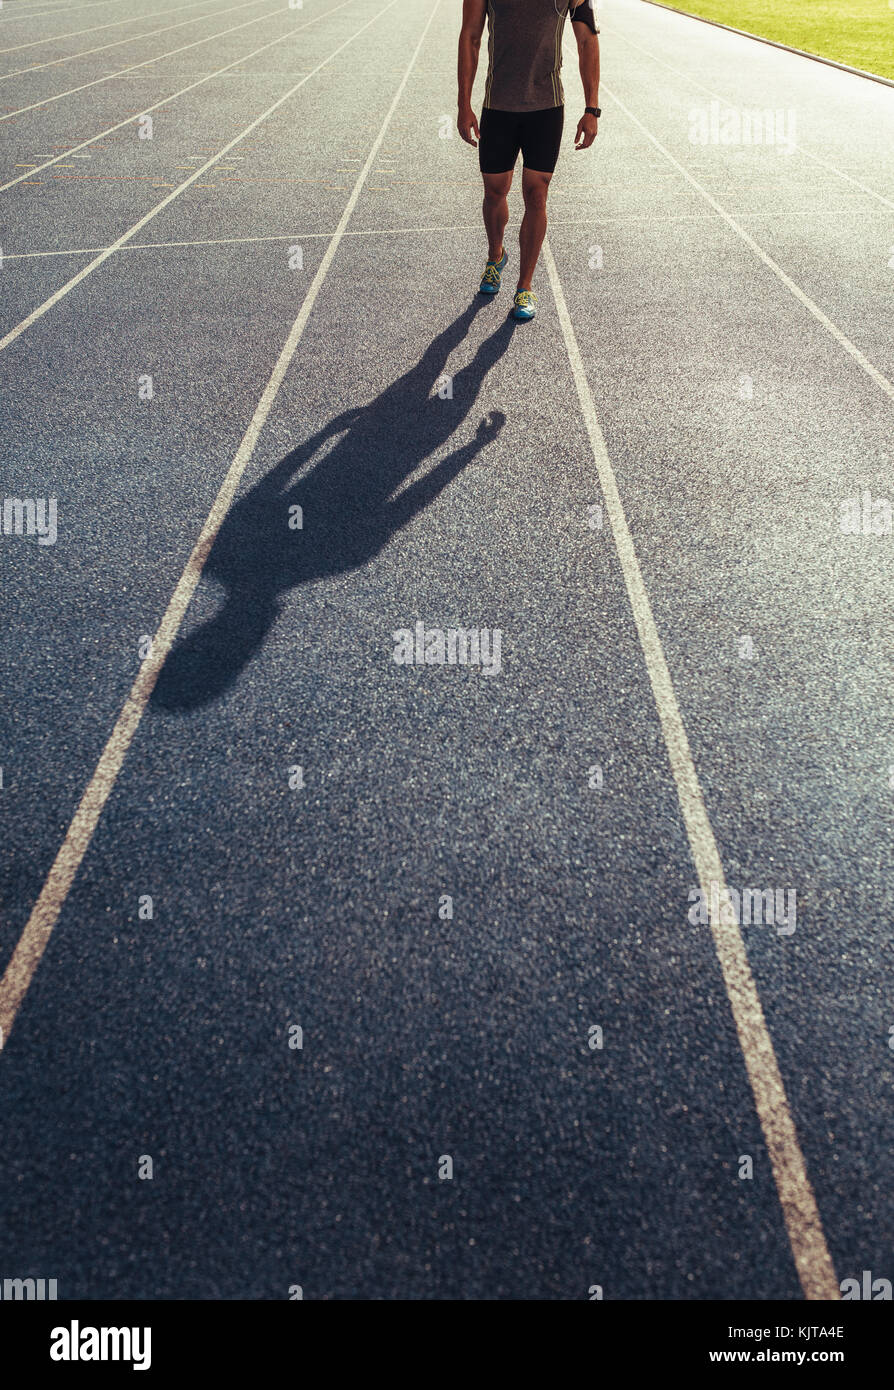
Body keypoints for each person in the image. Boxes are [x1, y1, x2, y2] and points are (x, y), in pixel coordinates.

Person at [457, 0, 600, 321]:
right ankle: (496, 256)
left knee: (536, 193)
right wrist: (463, 104)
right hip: (498, 105)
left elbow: (587, 39)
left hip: (546, 107)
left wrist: (592, 108)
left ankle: (525, 286)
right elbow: (470, 36)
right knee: (495, 191)